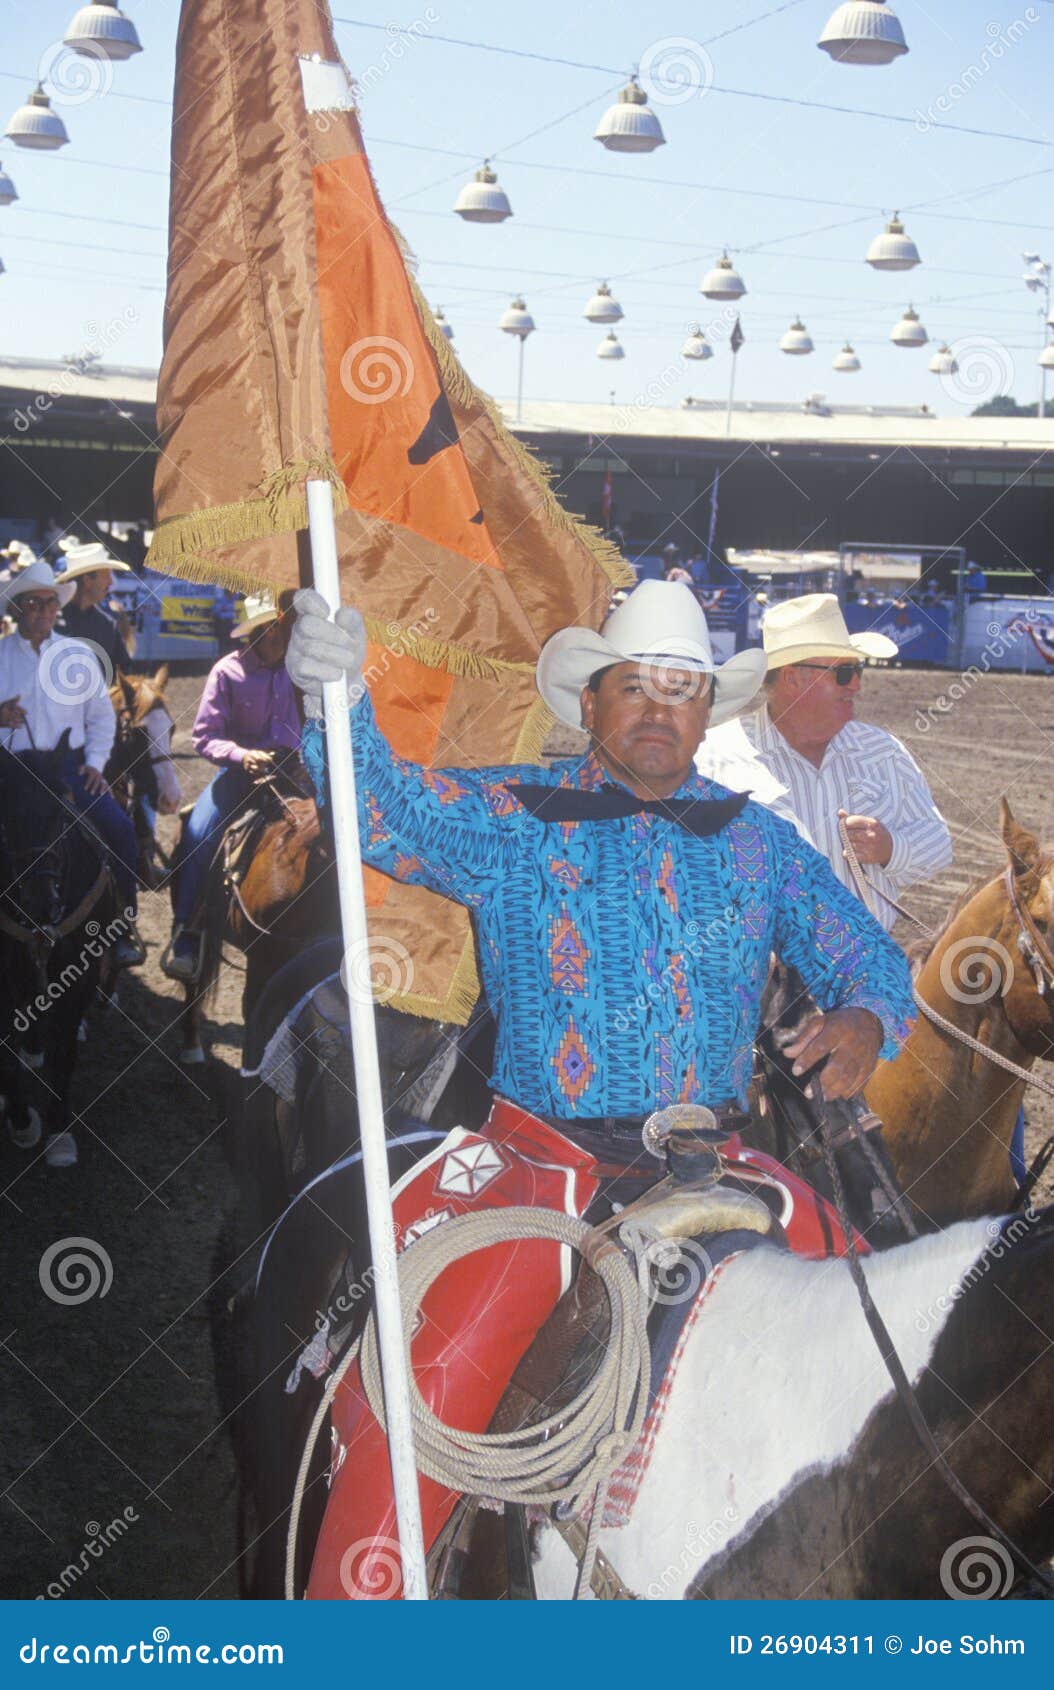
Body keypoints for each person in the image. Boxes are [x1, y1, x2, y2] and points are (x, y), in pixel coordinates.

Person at [286, 577, 915, 1594]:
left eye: (683, 689)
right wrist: (337, 698)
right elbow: (382, 808)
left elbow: (869, 960)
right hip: (542, 1175)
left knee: (881, 1363)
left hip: (726, 1166)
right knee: (413, 1419)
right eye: (637, 687)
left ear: (707, 710)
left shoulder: (759, 843)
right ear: (591, 703)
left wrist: (866, 1018)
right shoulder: (515, 819)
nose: (660, 708)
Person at [695, 593, 952, 932]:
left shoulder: (883, 751)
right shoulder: (713, 757)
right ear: (792, 679)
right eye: (844, 673)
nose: (857, 685)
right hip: (760, 979)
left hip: (864, 973)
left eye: (858, 670)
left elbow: (938, 845)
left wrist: (890, 848)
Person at [0, 560, 143, 967]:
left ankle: (122, 928)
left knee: (120, 831)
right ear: (18, 608)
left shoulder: (76, 654)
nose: (45, 610)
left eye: (49, 602)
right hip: (10, 772)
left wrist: (96, 763)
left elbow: (101, 717)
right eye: (34, 603)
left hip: (68, 770)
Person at [162, 592, 300, 982]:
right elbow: (205, 737)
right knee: (197, 832)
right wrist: (242, 755)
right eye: (278, 629)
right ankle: (186, 932)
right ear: (261, 631)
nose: (284, 636)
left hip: (294, 773)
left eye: (283, 628)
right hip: (242, 775)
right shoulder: (227, 672)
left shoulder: (298, 670)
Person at [54, 540, 136, 677]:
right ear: (87, 580)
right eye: (106, 576)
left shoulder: (107, 625)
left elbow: (125, 672)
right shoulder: (51, 622)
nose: (110, 582)